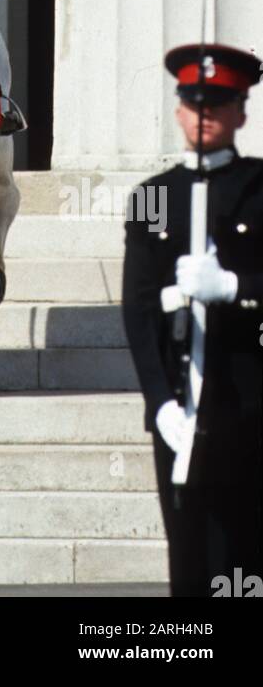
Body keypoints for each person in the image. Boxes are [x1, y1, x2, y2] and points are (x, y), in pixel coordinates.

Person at [122, 43, 263, 597]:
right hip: (180, 407)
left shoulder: (259, 188)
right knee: (189, 558)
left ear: (240, 113)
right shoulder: (152, 198)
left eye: (218, 105)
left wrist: (234, 287)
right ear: (179, 110)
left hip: (251, 407)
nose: (204, 115)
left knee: (247, 557)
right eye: (194, 104)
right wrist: (158, 402)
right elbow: (136, 310)